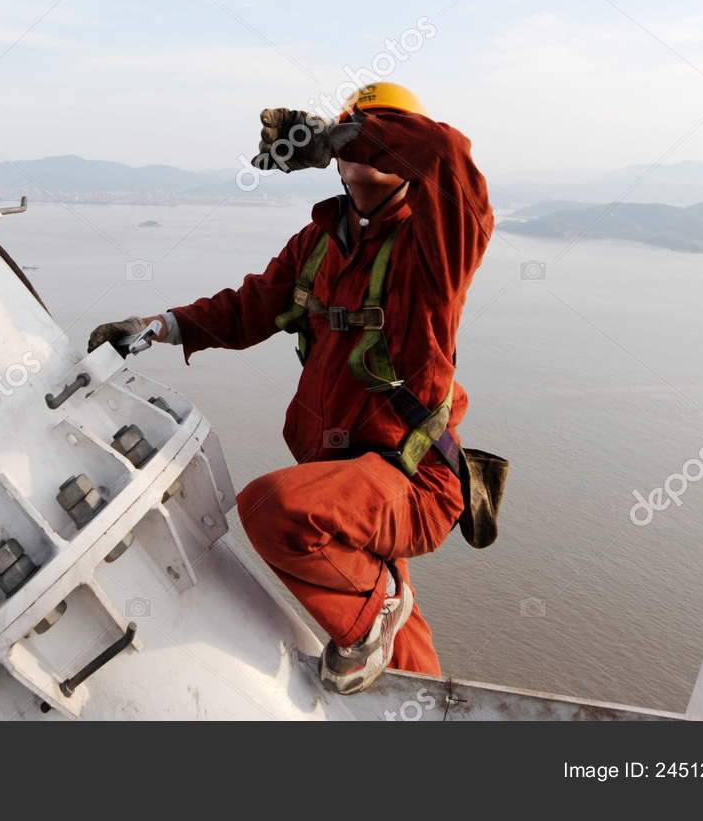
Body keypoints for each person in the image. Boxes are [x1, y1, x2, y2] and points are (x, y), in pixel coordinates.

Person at [88, 82, 493, 694]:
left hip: (410, 478)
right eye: (351, 129)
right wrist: (157, 327)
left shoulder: (435, 249)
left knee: (270, 509)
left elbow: (451, 157)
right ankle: (420, 698)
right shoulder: (320, 243)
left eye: (380, 129)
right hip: (347, 474)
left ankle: (376, 617)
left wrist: (354, 133)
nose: (362, 140)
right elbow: (249, 307)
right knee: (389, 611)